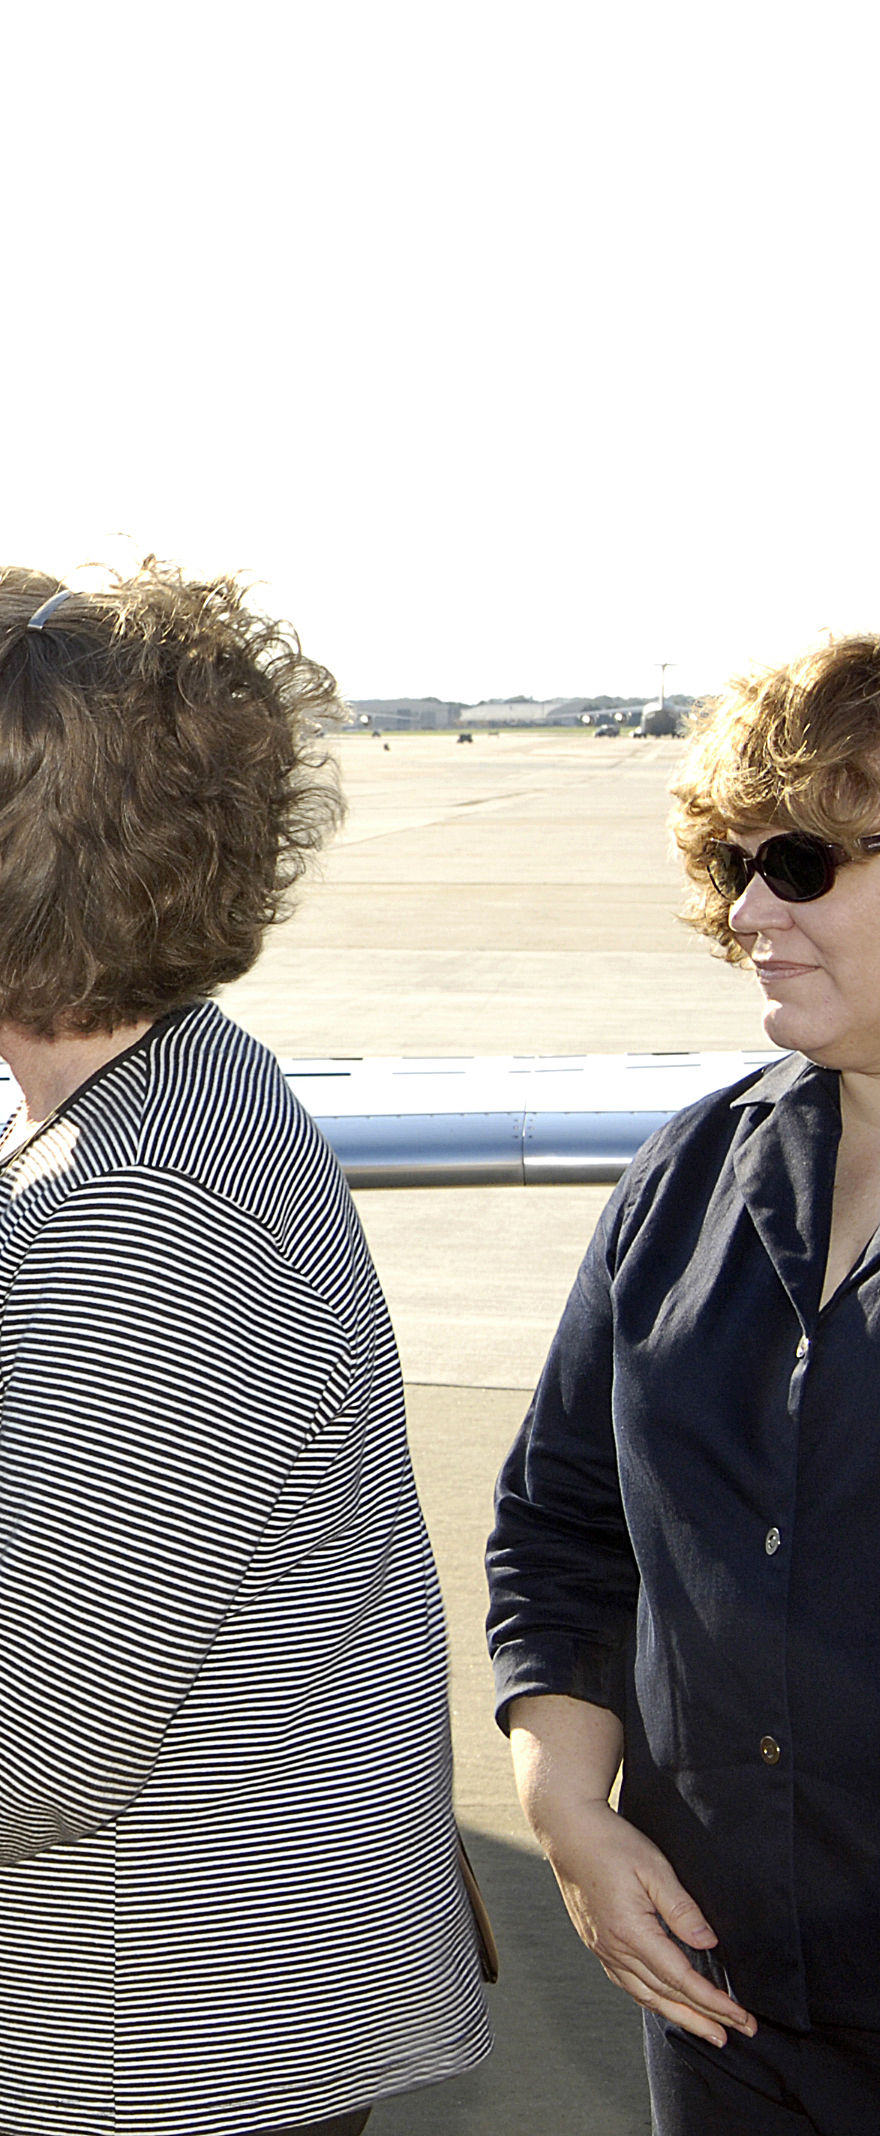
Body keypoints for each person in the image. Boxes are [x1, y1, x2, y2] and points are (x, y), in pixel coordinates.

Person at [0, 566, 491, 2136]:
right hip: (136, 2009)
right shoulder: (155, 1095)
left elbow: (55, 1716)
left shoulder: (142, 1211)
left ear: (5, 861)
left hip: (154, 2045)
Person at [488, 636, 880, 2133]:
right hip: (728, 2021)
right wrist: (566, 1808)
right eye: (731, 862)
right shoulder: (694, 1171)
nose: (748, 910)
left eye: (800, 860)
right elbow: (564, 1518)